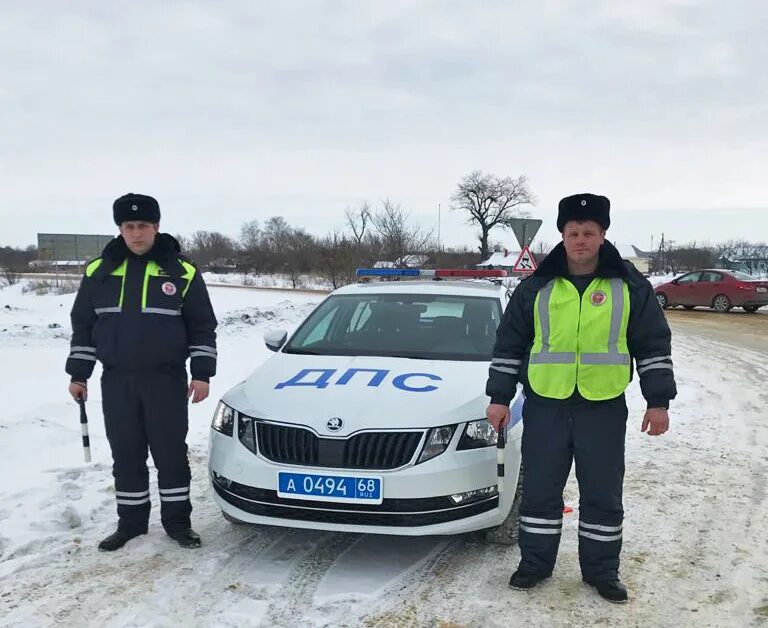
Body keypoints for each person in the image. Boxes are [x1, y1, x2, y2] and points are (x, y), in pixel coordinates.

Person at [486, 193, 676, 603]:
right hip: (545, 403)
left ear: (603, 235)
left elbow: (653, 343)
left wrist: (658, 401)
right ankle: (535, 565)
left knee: (603, 493)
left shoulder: (628, 285)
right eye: (573, 232)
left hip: (602, 405)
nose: (580, 240)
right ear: (562, 234)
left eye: (589, 232)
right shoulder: (537, 285)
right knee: (539, 491)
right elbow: (509, 344)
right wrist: (499, 397)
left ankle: (602, 572)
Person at [66, 193, 218, 551]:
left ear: (157, 227)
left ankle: (178, 524)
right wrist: (78, 374)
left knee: (170, 455)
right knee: (127, 454)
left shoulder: (182, 272)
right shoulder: (98, 272)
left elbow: (202, 326)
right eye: (129, 226)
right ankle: (131, 523)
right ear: (120, 229)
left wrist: (202, 373)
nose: (137, 233)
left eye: (144, 226)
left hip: (165, 380)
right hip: (117, 380)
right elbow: (83, 327)